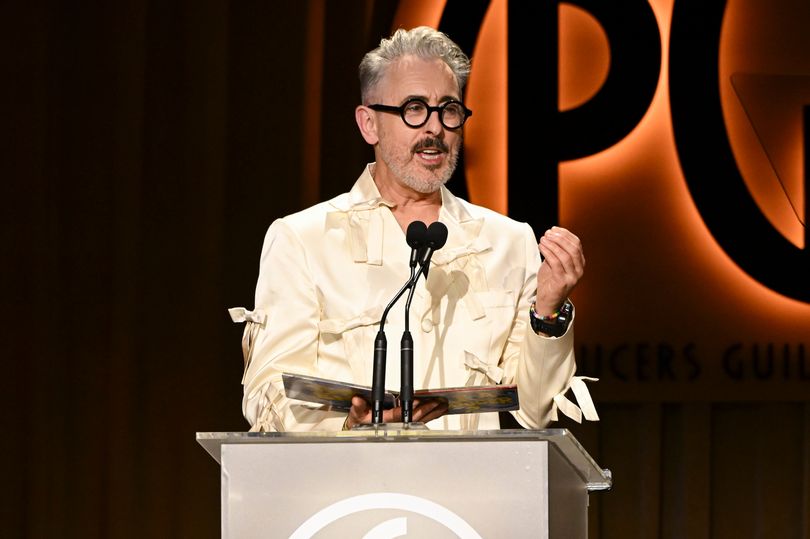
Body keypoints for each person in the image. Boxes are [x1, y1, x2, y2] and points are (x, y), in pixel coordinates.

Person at [231, 26, 598, 432]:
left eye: (449, 109)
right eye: (414, 108)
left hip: (467, 490)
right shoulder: (303, 239)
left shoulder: (508, 242)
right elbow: (269, 395)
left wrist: (546, 314)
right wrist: (349, 423)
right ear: (369, 124)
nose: (435, 129)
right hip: (349, 487)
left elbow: (533, 411)